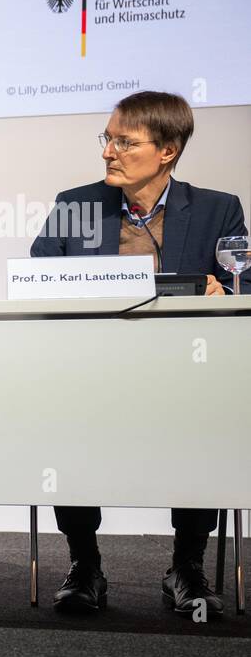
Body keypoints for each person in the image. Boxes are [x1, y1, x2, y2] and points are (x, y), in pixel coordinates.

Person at [31, 91, 247, 615]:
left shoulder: (218, 208)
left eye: (125, 142)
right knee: (64, 421)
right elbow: (35, 276)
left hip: (185, 372)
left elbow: (246, 282)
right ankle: (86, 563)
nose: (109, 151)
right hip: (93, 370)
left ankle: (187, 566)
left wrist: (225, 288)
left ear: (168, 150)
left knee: (208, 423)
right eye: (107, 138)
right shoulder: (75, 205)